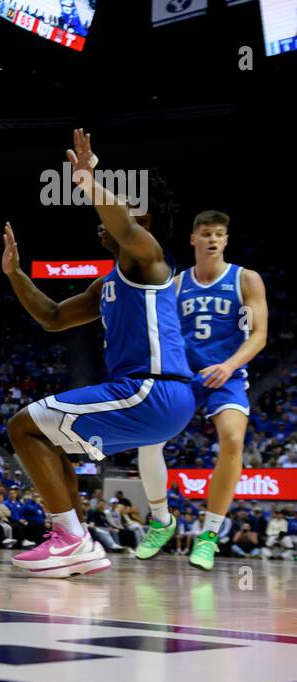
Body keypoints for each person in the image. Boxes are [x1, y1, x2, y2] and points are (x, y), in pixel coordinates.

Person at [2, 130, 195, 577]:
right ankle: (77, 541)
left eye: (125, 205)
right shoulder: (107, 282)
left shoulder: (148, 255)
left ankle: (71, 539)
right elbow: (52, 316)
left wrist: (89, 181)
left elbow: (124, 226)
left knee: (22, 427)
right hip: (153, 396)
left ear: (143, 218)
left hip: (152, 389)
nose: (105, 220)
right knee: (49, 441)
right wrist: (14, 274)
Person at [135, 210, 268, 571]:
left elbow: (259, 336)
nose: (213, 240)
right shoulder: (176, 284)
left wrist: (229, 366)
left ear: (226, 240)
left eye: (219, 234)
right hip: (184, 377)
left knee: (234, 441)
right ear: (193, 239)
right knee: (149, 441)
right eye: (206, 233)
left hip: (227, 375)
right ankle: (161, 522)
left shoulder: (246, 279)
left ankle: (208, 536)